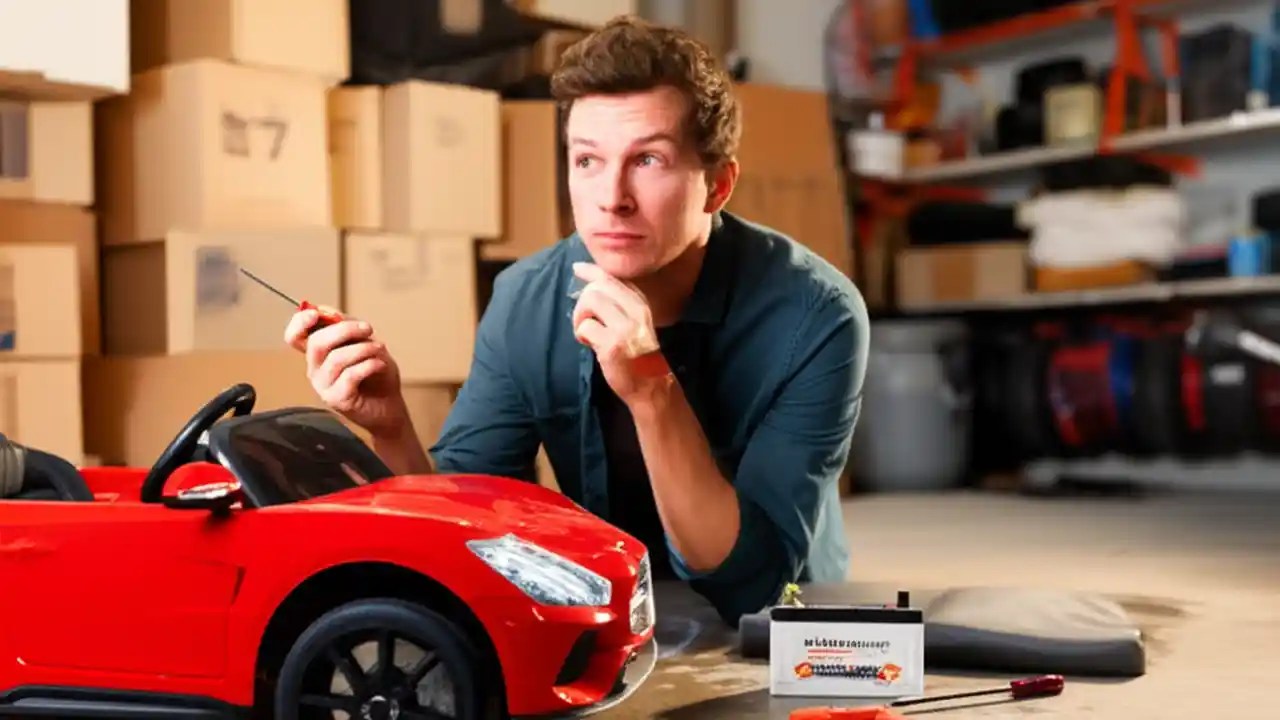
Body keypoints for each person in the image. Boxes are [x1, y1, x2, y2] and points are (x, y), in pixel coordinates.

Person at [284, 15, 869, 625]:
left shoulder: (816, 314)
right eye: (587, 160)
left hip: (783, 617)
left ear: (718, 186)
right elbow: (464, 529)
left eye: (649, 160)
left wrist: (652, 390)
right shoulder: (527, 300)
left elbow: (752, 586)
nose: (612, 198)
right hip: (607, 606)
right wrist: (391, 427)